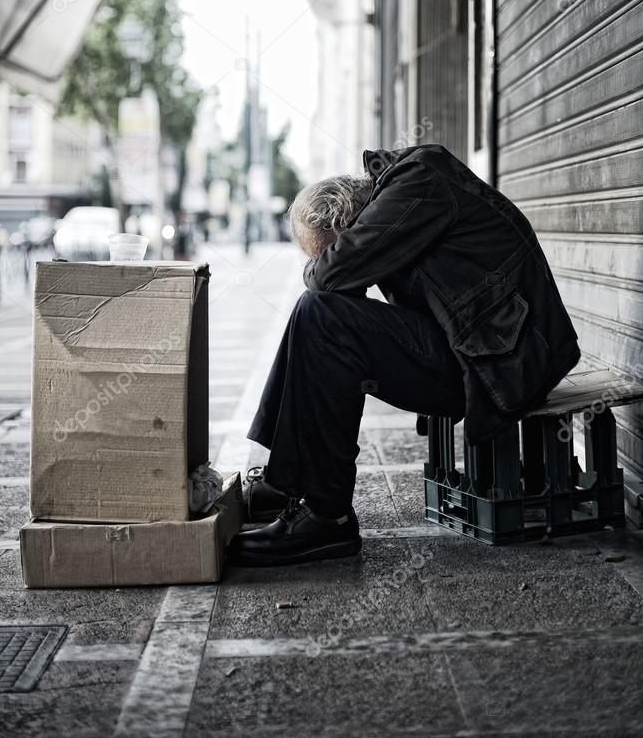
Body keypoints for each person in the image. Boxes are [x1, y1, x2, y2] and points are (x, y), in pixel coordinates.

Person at [229, 144, 580, 567]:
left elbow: (329, 277)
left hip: (504, 365)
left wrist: (324, 267)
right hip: (484, 349)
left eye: (327, 249)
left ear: (351, 227)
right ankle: (284, 483)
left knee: (320, 312)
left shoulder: (419, 180)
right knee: (319, 314)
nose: (327, 261)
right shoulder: (406, 194)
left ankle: (329, 515)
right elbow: (336, 279)